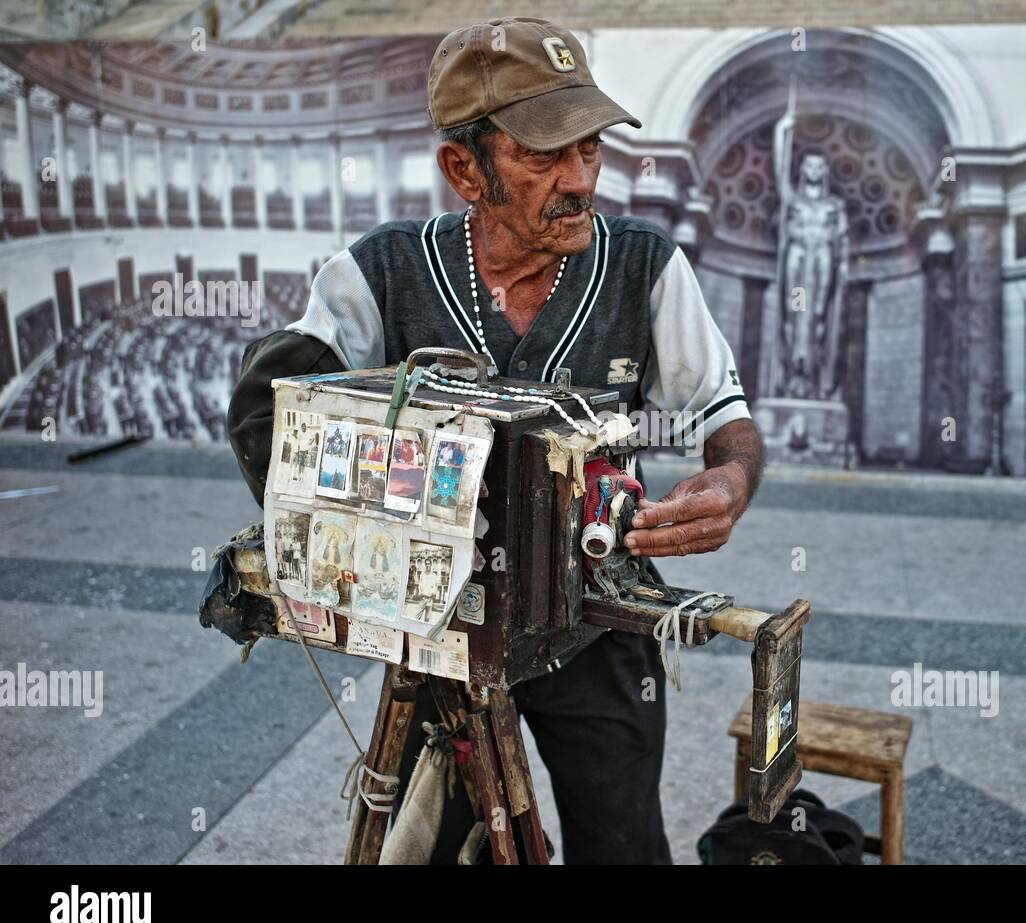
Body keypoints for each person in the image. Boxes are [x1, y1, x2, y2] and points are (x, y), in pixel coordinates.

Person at [226, 16, 764, 864]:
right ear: (464, 168)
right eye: (543, 155)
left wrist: (728, 484)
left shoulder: (645, 267)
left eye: (589, 148)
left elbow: (727, 423)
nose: (580, 178)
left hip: (594, 623)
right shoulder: (386, 271)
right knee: (426, 843)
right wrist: (341, 544)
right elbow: (271, 404)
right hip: (435, 634)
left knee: (622, 842)